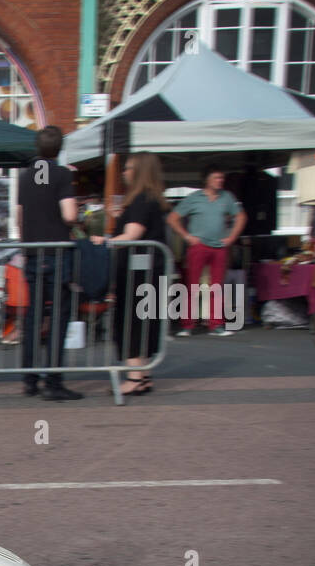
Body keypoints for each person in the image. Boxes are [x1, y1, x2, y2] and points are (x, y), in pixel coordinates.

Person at [93, 152, 168, 396]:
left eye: (128, 169)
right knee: (144, 322)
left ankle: (135, 377)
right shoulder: (151, 199)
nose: (124, 173)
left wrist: (104, 241)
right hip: (150, 271)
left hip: (139, 273)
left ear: (139, 172)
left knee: (132, 322)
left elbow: (132, 235)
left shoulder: (140, 200)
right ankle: (143, 376)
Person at [18, 126, 83, 400]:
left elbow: (20, 216)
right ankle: (53, 381)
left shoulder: (25, 176)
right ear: (58, 148)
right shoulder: (61, 174)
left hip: (33, 250)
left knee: (33, 316)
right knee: (57, 316)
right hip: (56, 252)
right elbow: (69, 214)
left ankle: (30, 380)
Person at [166, 164, 246, 336]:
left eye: (221, 178)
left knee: (217, 286)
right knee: (192, 285)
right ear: (207, 180)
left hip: (219, 245)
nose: (220, 181)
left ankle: (215, 324)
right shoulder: (194, 198)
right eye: (216, 178)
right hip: (199, 245)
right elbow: (173, 218)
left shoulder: (227, 197)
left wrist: (231, 237)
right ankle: (188, 325)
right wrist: (187, 236)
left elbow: (241, 216)